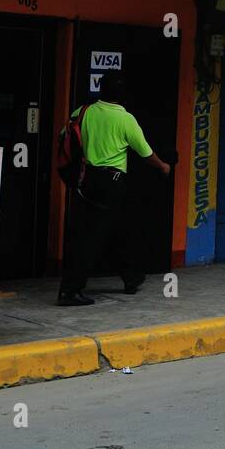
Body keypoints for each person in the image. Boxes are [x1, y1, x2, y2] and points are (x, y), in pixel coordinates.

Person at [57, 70, 171, 306]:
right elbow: (145, 152)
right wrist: (163, 166)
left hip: (85, 180)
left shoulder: (83, 111)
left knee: (111, 229)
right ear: (122, 94)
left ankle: (131, 277)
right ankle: (70, 291)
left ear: (101, 89)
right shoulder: (125, 119)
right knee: (91, 237)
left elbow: (64, 136)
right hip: (111, 183)